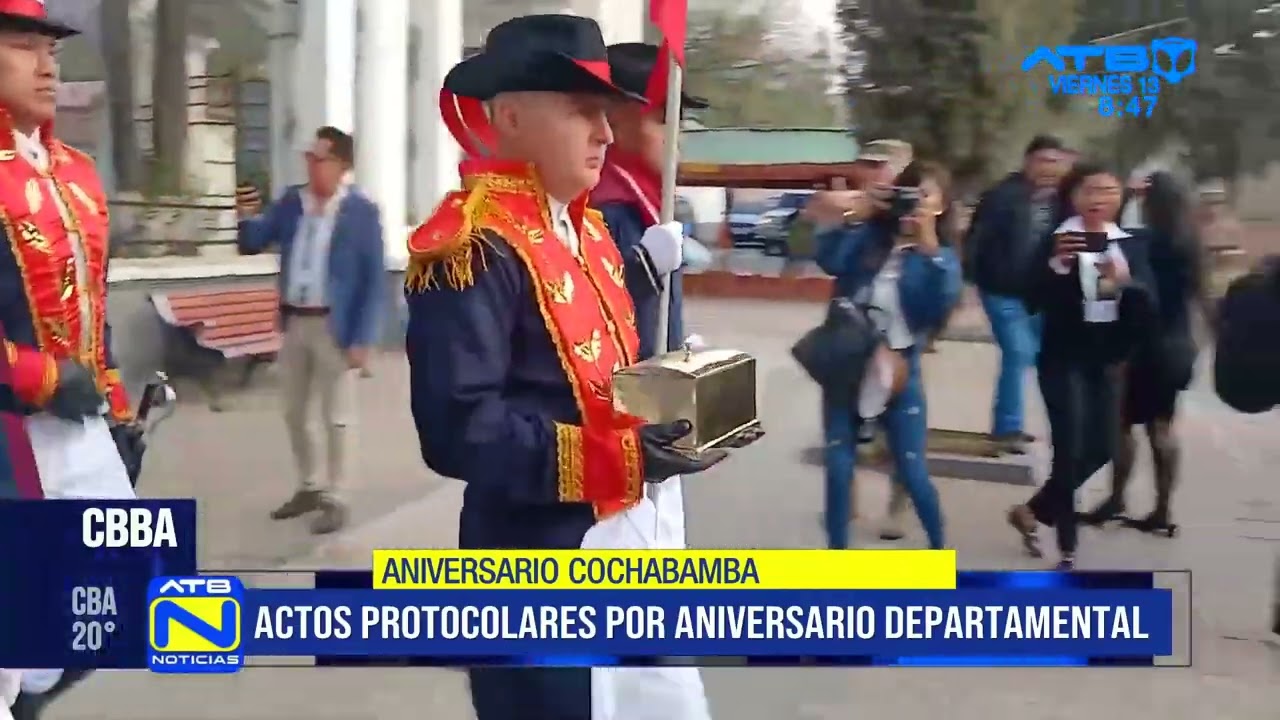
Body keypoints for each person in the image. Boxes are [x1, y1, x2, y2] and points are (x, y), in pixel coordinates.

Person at [403, 15, 728, 720]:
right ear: (512, 116)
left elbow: (604, 375)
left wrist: (685, 409)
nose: (606, 135)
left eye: (607, 115)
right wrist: (622, 460)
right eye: (584, 113)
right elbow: (460, 429)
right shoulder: (469, 248)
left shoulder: (590, 231)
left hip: (628, 540)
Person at [0, 3, 142, 717]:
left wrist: (116, 411)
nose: (48, 65)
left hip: (82, 432)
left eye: (50, 49)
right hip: (13, 436)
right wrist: (42, 376)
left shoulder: (76, 173)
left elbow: (94, 301)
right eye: (25, 48)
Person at [237, 126, 386, 534]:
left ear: (341, 165)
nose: (311, 165)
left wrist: (363, 339)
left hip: (335, 326)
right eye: (309, 157)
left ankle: (337, 497)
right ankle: (309, 485)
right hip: (296, 320)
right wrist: (247, 214)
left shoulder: (361, 212)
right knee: (294, 412)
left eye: (319, 158)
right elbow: (255, 240)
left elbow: (374, 281)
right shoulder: (291, 202)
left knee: (337, 415)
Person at [1007, 161, 1156, 569]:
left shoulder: (1133, 244)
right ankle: (1068, 548)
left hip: (1107, 359)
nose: (1099, 200)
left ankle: (1034, 510)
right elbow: (1030, 299)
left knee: (1104, 447)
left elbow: (1150, 306)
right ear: (1073, 196)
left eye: (1109, 191)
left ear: (1121, 198)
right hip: (1062, 356)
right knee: (1068, 448)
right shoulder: (1054, 240)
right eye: (1090, 191)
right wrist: (1057, 264)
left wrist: (1126, 283)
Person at [809, 161, 962, 550]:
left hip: (898, 369)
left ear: (941, 205)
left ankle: (941, 554)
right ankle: (837, 561)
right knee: (840, 467)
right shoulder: (869, 237)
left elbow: (942, 306)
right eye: (907, 194)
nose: (913, 205)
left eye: (924, 196)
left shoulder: (939, 257)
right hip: (848, 363)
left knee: (912, 469)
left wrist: (929, 249)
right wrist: (854, 216)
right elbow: (828, 259)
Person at [1082, 172, 1212, 533]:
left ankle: (1116, 497)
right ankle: (1163, 508)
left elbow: (1119, 282)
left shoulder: (1140, 239)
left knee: (1122, 422)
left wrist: (1125, 198)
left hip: (1141, 343)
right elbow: (1202, 299)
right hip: (1178, 342)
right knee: (1163, 426)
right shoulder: (1190, 243)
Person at [591, 41, 702, 360]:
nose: (676, 136)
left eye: (679, 121)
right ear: (615, 121)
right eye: (663, 118)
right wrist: (641, 269)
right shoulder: (602, 210)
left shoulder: (649, 204)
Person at [964, 135, 1071, 454]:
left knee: (1036, 357)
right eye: (1043, 161)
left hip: (1040, 294)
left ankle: (1021, 425)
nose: (1049, 169)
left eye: (1056, 162)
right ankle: (1006, 428)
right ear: (1028, 162)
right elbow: (977, 241)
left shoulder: (1062, 202)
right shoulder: (1002, 197)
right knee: (1018, 353)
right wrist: (970, 282)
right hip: (1001, 291)